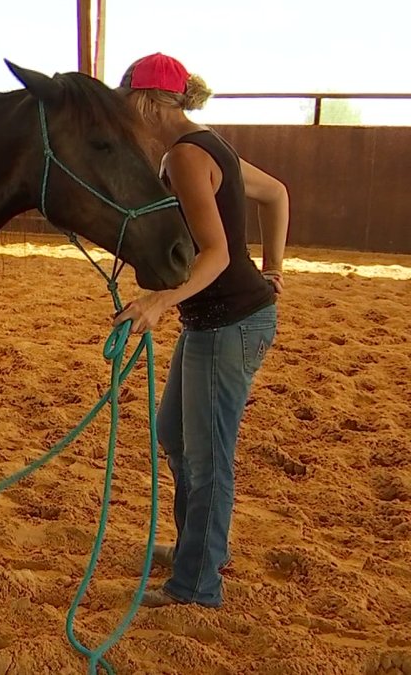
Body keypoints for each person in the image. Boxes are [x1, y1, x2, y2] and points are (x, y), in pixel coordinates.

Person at [111, 53, 290, 608]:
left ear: (145, 102)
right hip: (222, 319)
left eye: (125, 108)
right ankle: (198, 548)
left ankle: (196, 584)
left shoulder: (187, 157)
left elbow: (213, 254)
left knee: (209, 457)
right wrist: (273, 268)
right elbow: (277, 193)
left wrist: (159, 302)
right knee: (176, 436)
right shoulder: (210, 145)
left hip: (227, 324)